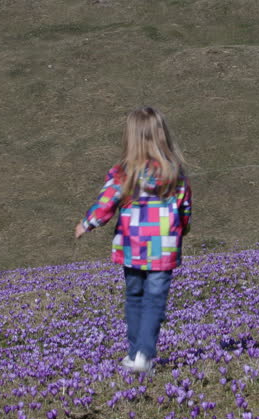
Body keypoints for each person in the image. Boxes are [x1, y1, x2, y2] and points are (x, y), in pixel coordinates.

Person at [75, 106, 192, 373]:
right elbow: (185, 208)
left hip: (133, 249)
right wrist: (182, 229)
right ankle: (144, 354)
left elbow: (106, 204)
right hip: (163, 251)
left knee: (135, 298)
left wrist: (86, 223)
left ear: (131, 138)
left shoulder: (123, 173)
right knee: (154, 301)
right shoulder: (175, 173)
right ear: (162, 136)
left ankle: (135, 353)